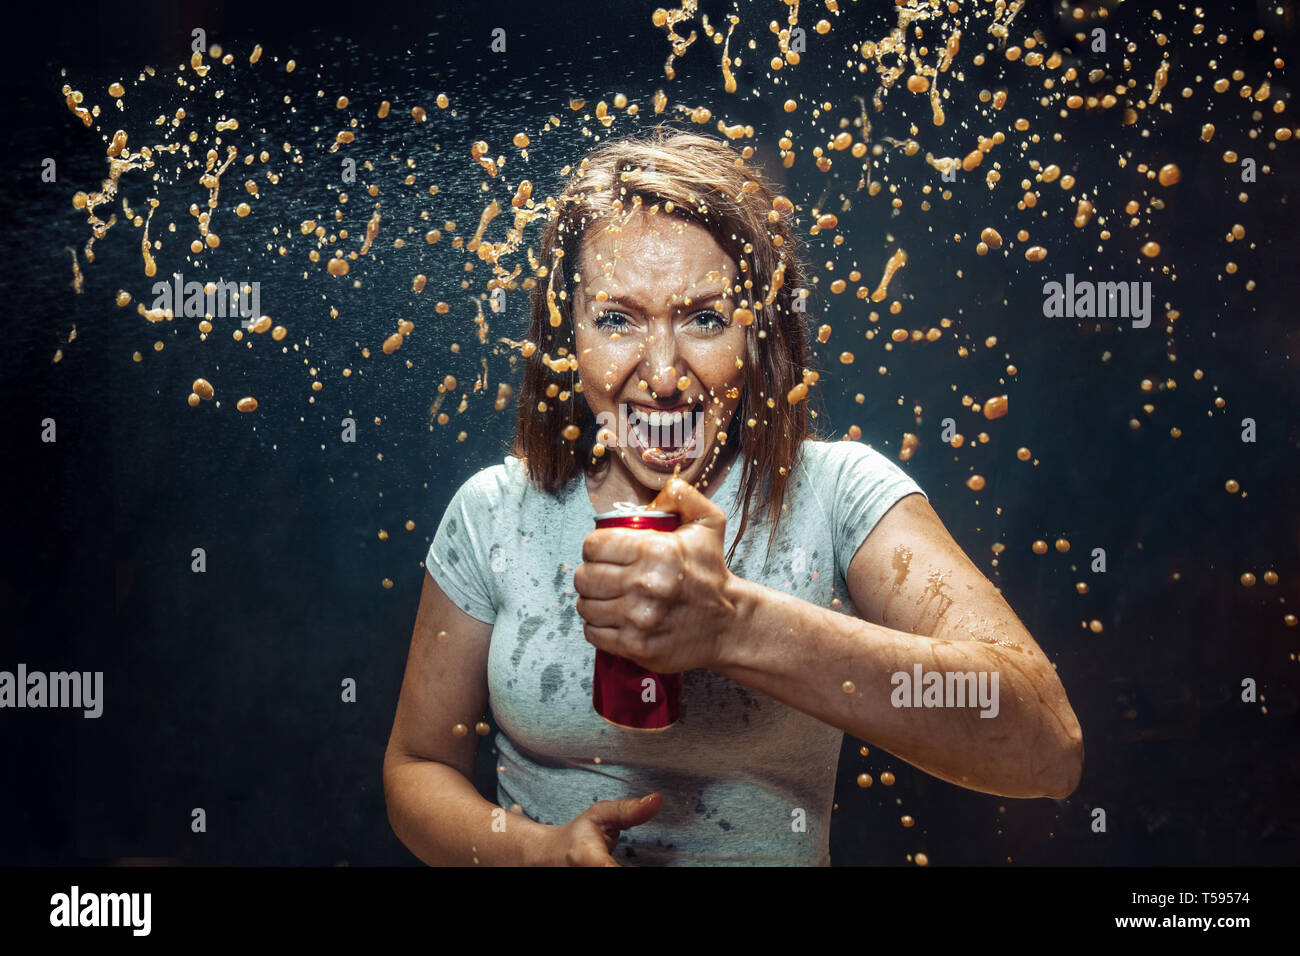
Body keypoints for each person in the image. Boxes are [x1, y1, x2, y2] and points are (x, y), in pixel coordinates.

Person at [383, 126, 1083, 866]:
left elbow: (1047, 747)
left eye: (705, 318)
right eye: (616, 319)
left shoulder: (838, 495)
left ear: (760, 338)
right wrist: (533, 854)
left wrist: (735, 625)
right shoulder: (493, 512)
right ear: (567, 336)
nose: (660, 375)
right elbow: (415, 768)